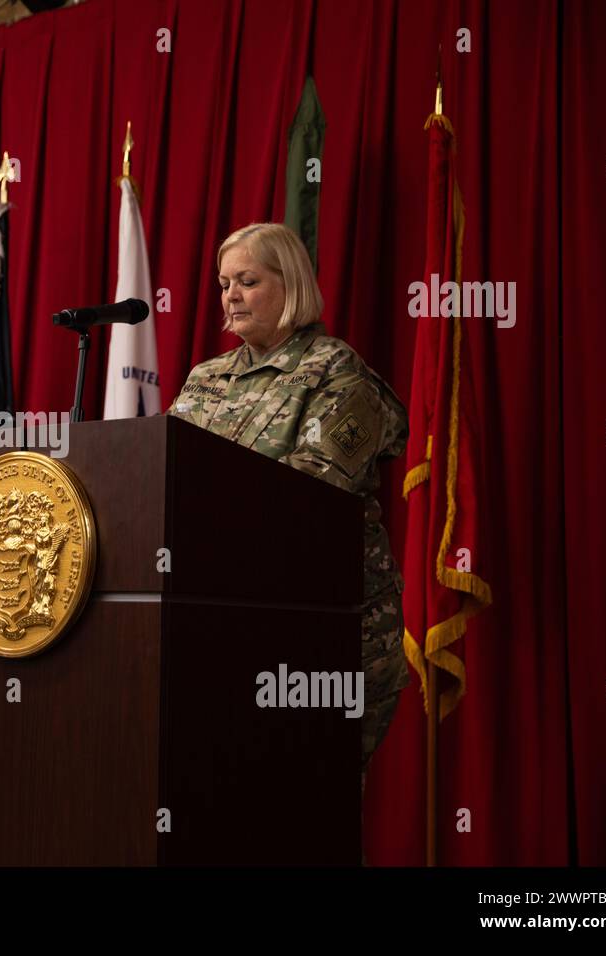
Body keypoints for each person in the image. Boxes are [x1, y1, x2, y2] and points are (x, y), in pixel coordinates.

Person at [167, 222, 409, 781]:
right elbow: (166, 480)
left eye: (247, 280)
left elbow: (310, 497)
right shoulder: (206, 379)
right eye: (224, 283)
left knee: (306, 813)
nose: (230, 295)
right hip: (225, 630)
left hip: (330, 638)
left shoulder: (335, 370)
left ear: (292, 285)